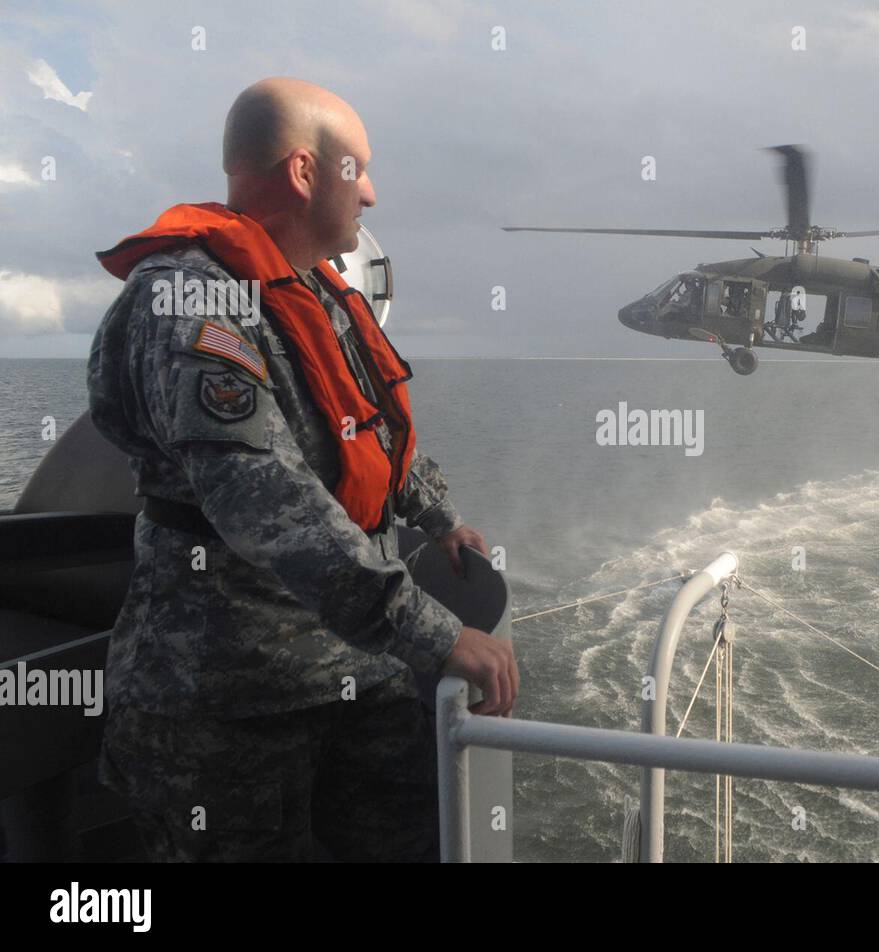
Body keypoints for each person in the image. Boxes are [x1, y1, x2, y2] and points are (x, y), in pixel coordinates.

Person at [86, 77, 518, 862]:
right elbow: (262, 495)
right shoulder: (189, 301)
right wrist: (430, 630)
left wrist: (438, 520)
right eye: (360, 169)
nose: (374, 193)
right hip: (228, 697)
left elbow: (365, 425)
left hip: (357, 672)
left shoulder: (317, 293)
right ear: (303, 173)